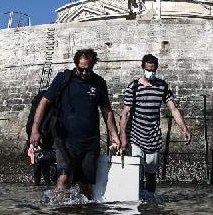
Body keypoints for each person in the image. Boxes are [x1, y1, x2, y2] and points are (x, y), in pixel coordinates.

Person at [29, 48, 122, 198]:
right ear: (76, 65)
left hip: (90, 141)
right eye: (81, 69)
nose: (85, 73)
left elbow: (107, 111)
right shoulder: (63, 78)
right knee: (63, 178)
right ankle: (59, 214)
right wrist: (35, 129)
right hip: (64, 140)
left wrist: (114, 135)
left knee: (85, 185)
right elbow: (44, 102)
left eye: (89, 69)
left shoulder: (99, 83)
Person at [118, 54, 190, 193]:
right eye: (148, 70)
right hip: (135, 135)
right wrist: (123, 136)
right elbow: (125, 112)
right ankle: (136, 202)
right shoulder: (133, 87)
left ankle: (150, 202)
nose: (151, 73)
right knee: (136, 173)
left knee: (151, 174)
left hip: (153, 135)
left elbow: (173, 109)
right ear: (143, 68)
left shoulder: (162, 86)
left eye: (153, 70)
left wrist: (184, 129)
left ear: (156, 68)